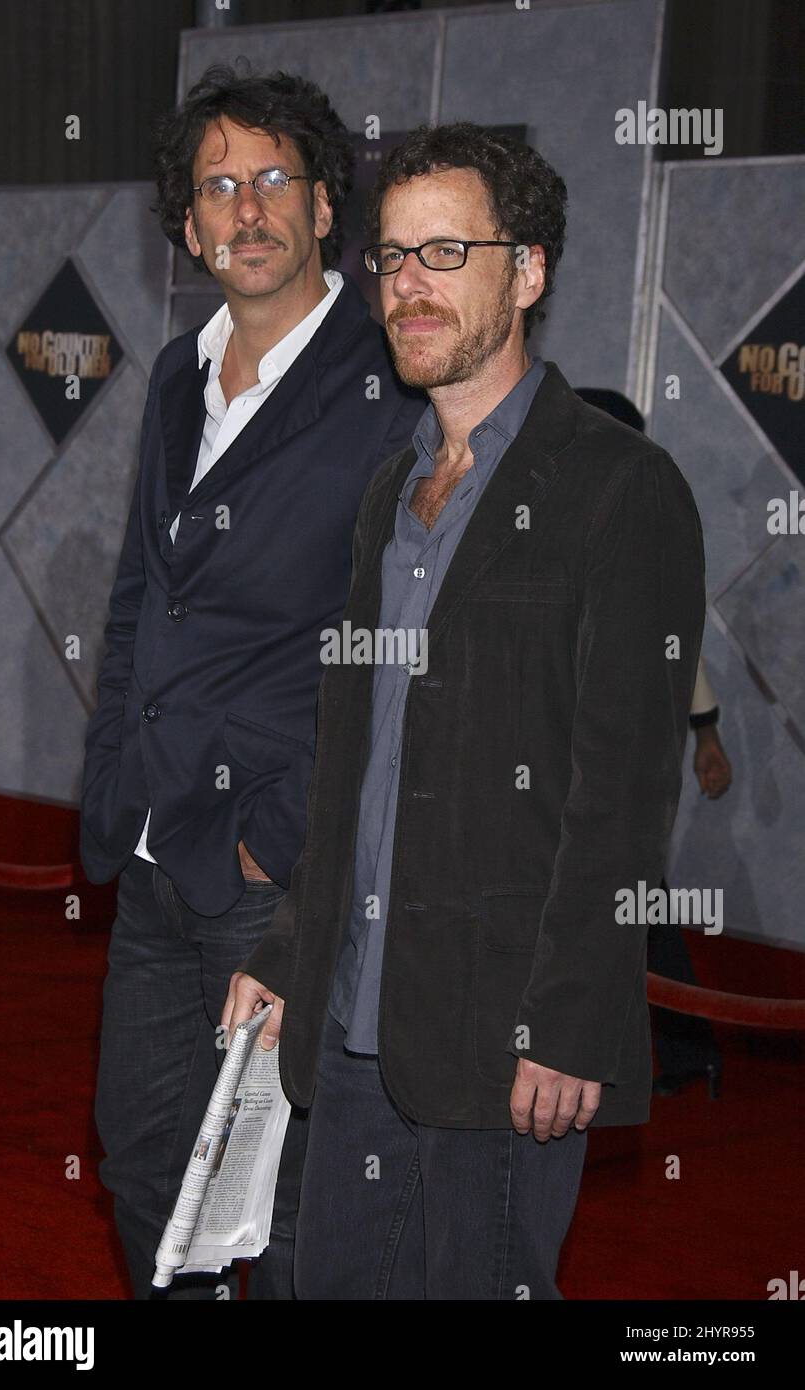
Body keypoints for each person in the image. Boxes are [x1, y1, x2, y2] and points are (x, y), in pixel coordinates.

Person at [227, 122, 707, 1300]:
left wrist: (571, 1018)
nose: (410, 288)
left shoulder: (618, 485)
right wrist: (292, 949)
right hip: (350, 1024)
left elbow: (623, 788)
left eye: (447, 253)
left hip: (505, 1042)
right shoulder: (391, 487)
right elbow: (353, 756)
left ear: (527, 272)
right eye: (391, 259)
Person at [79, 64, 423, 1301]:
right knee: (140, 1171)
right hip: (159, 849)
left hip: (277, 864)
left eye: (274, 177)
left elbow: (392, 646)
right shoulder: (179, 373)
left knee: (274, 1214)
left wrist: (292, 856)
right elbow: (139, 603)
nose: (247, 208)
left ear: (327, 205)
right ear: (187, 226)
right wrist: (114, 773)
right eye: (217, 187)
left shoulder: (387, 383)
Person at [575, 389, 729, 1099]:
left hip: (622, 755)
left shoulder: (645, 522)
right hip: (562, 753)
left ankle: (687, 1050)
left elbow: (680, 634)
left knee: (639, 906)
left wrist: (705, 735)